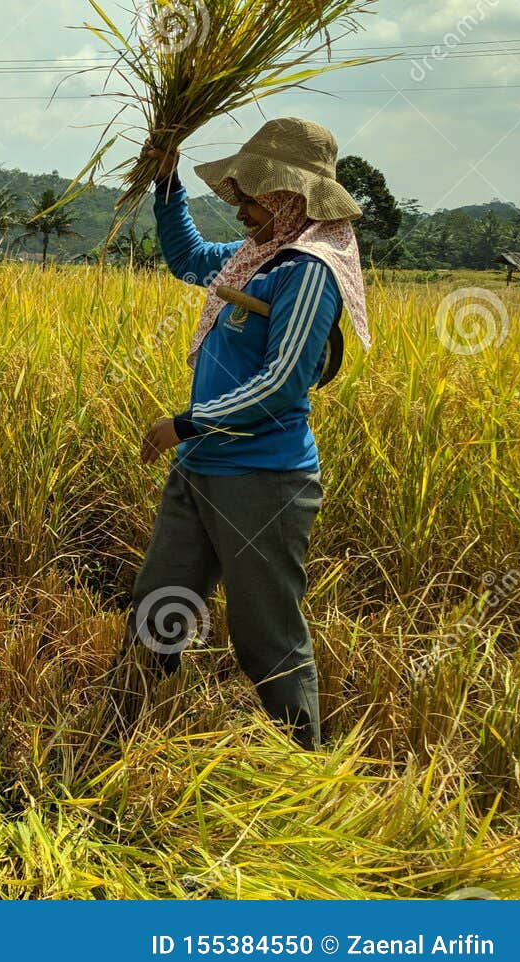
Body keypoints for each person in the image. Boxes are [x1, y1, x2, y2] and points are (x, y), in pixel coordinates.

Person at [128, 117, 371, 750]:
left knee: (265, 637)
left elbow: (282, 383)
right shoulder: (253, 258)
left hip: (263, 481)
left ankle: (302, 768)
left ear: (292, 198)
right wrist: (167, 183)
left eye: (253, 196)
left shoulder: (308, 273)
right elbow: (185, 257)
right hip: (202, 470)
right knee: (158, 607)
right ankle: (129, 741)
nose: (240, 208)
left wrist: (186, 423)